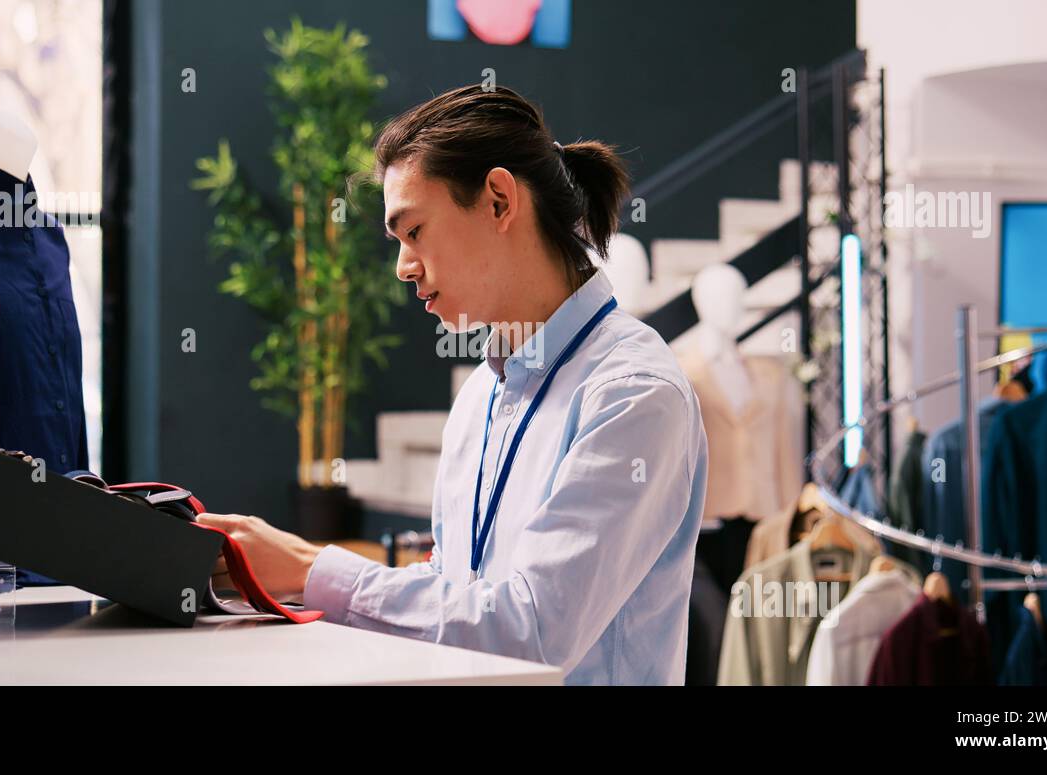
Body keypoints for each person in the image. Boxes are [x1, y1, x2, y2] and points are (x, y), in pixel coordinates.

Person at [198, 85, 709, 685]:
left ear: (497, 200)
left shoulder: (634, 394)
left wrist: (310, 567)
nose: (402, 266)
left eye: (413, 231)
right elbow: (457, 596)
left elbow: (534, 631)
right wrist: (272, 587)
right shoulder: (480, 395)